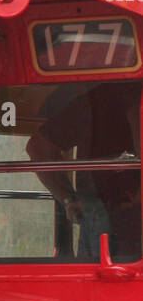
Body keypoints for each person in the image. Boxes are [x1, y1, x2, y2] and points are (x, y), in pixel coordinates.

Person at [26, 81, 141, 262]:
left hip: (98, 209)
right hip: (123, 211)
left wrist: (68, 199)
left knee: (94, 278)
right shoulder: (118, 97)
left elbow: (38, 148)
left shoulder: (94, 99)